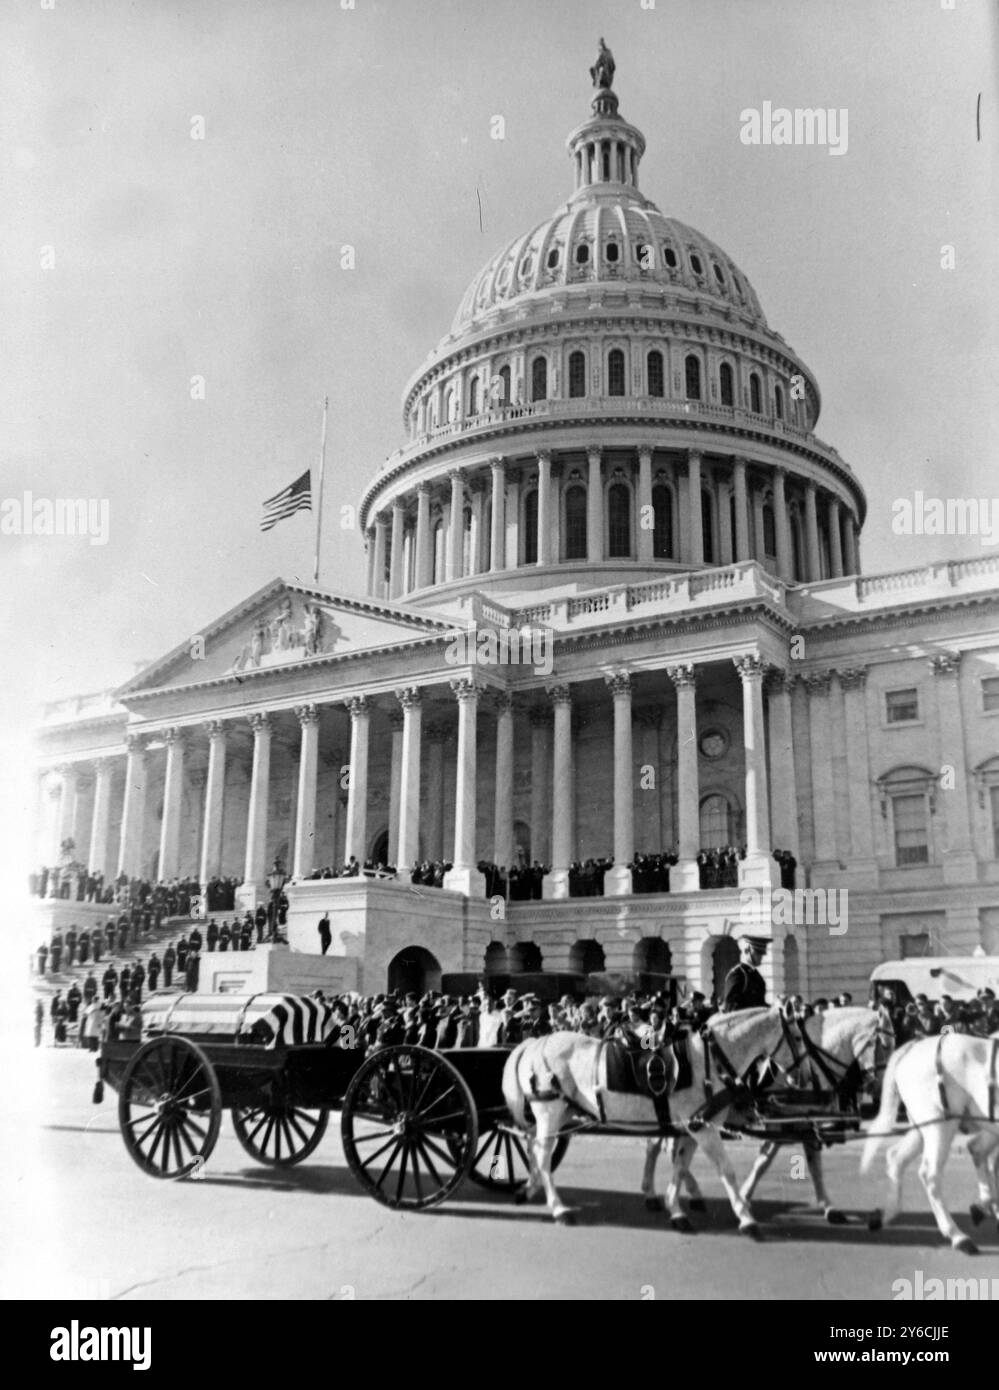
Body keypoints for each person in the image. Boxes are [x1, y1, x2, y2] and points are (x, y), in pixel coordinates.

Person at [721, 936, 769, 1012]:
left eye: (761, 954)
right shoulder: (738, 974)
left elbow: (760, 1004)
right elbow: (730, 1007)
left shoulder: (757, 976)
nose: (760, 957)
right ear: (747, 951)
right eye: (757, 953)